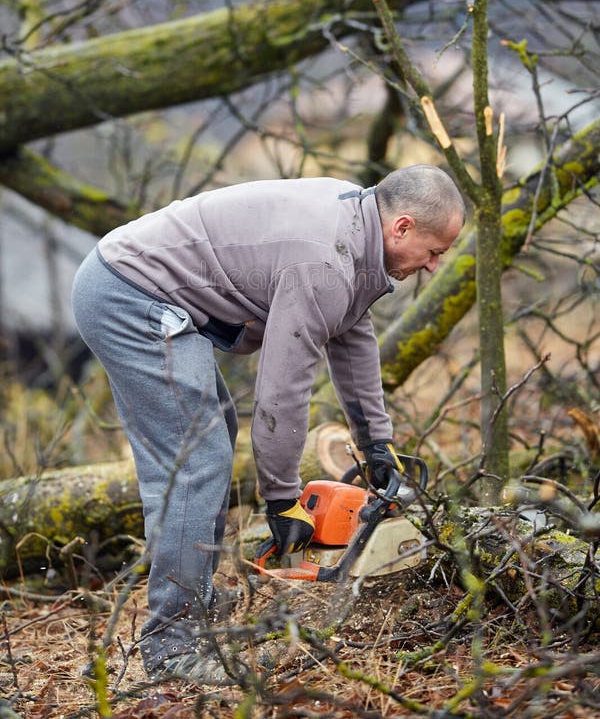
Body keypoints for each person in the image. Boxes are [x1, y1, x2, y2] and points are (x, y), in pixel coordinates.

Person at [71, 164, 465, 681]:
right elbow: (282, 389)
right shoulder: (325, 259)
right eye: (435, 252)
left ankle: (198, 604)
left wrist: (377, 443)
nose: (435, 266)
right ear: (403, 227)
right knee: (197, 459)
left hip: (137, 287)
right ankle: (171, 646)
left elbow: (352, 338)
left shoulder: (358, 232)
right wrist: (282, 497)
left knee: (209, 442)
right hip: (129, 293)